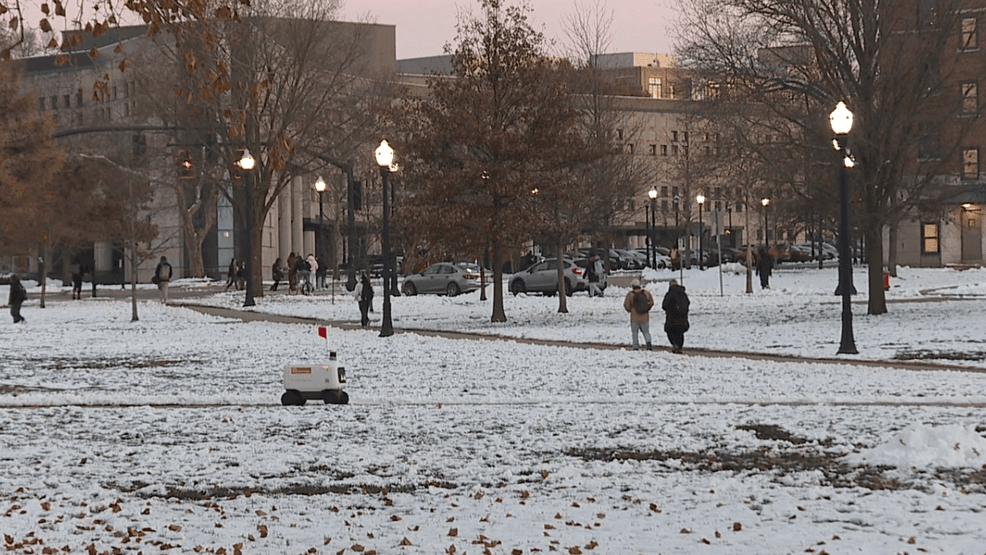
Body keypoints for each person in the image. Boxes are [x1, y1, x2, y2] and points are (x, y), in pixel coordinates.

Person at [623, 279, 654, 351]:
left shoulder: (630, 295)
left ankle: (636, 347)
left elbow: (627, 306)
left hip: (634, 317)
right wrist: (646, 309)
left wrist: (631, 310)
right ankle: (649, 345)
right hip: (645, 317)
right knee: (646, 332)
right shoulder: (646, 293)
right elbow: (651, 302)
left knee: (635, 333)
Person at [662, 279, 690, 354]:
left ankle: (675, 345)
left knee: (671, 332)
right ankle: (679, 346)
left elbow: (664, 305)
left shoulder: (669, 294)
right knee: (680, 333)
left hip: (672, 317)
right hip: (682, 317)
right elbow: (687, 303)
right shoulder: (683, 293)